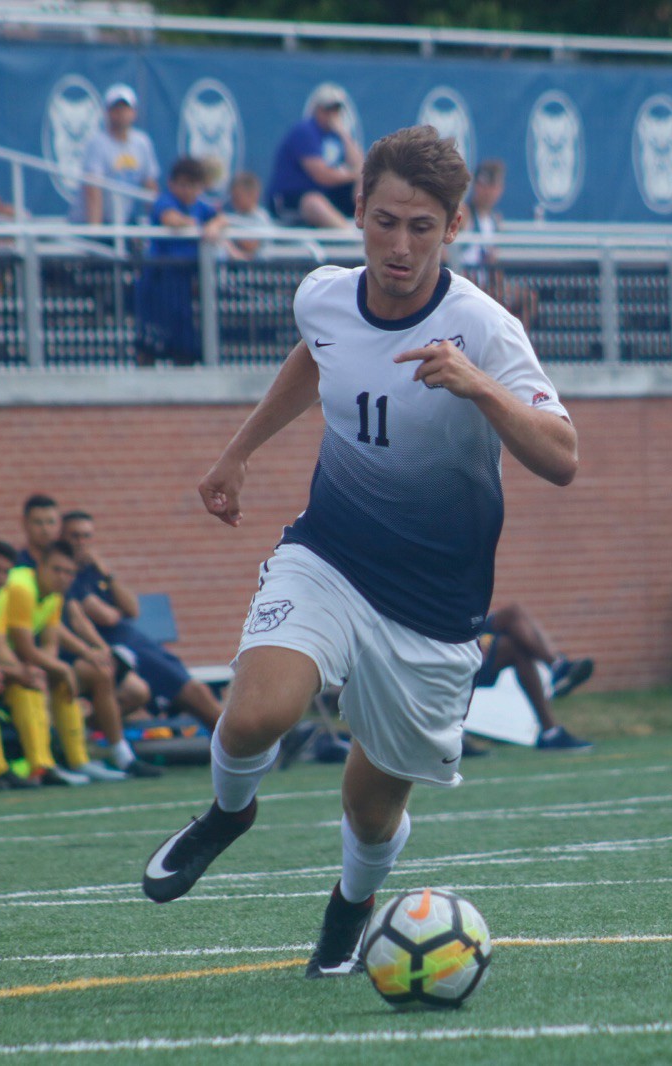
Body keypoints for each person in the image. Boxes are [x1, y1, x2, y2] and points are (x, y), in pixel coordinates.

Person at [142, 125, 577, 981]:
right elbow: (318, 357)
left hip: (435, 607)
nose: (400, 246)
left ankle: (350, 907)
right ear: (357, 212)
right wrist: (239, 452)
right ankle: (229, 812)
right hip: (331, 556)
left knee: (370, 809)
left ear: (454, 227)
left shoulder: (484, 328)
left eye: (422, 227)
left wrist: (479, 387)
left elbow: (563, 457)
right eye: (384, 222)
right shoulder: (323, 295)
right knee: (257, 713)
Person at [60, 510, 223, 731]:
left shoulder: (95, 571)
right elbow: (106, 617)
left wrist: (107, 573)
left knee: (198, 692)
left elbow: (132, 609)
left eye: (86, 536)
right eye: (75, 536)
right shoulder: (67, 576)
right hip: (117, 649)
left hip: (136, 642)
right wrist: (113, 612)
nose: (81, 542)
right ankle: (239, 742)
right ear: (62, 537)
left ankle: (237, 742)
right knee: (190, 694)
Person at [4, 539, 138, 782]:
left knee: (61, 680)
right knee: (35, 684)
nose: (62, 577)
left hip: (16, 660)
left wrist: (57, 668)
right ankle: (42, 765)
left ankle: (79, 761)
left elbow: (50, 640)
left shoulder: (55, 595)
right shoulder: (22, 588)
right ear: (40, 566)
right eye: (57, 570)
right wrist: (61, 668)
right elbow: (24, 647)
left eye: (69, 572)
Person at [0, 539, 77, 788]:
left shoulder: (1, 593)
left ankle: (42, 765)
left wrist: (21, 672)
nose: (1, 578)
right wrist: (5, 669)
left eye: (5, 572)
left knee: (28, 683)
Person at [135, 157, 228, 366]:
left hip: (184, 286)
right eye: (183, 185)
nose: (188, 191)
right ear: (172, 184)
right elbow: (170, 218)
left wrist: (213, 226)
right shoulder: (165, 201)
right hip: (158, 282)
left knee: (184, 345)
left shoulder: (200, 206)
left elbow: (222, 218)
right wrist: (196, 226)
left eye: (193, 186)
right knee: (149, 343)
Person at [472, 603, 594, 750]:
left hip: (467, 632)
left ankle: (551, 732)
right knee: (513, 627)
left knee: (514, 620)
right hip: (454, 645)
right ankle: (558, 667)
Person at [265, 84, 362, 229]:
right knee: (314, 202)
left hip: (326, 196)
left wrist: (343, 134)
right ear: (317, 109)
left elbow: (359, 165)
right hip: (289, 199)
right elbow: (322, 176)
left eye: (335, 110)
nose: (332, 115)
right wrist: (353, 174)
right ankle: (347, 236)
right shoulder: (304, 131)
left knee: (363, 183)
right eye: (327, 110)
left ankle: (364, 224)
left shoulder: (337, 135)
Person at [459, 159, 536, 332]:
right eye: (483, 185)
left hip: (488, 284)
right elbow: (446, 251)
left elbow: (492, 259)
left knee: (526, 298)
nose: (487, 192)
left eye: (493, 187)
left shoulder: (495, 219)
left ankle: (516, 339)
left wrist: (498, 283)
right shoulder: (465, 213)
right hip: (467, 282)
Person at [72, 84, 159, 227]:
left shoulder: (142, 143)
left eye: (125, 108)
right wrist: (95, 231)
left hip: (121, 222)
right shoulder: (97, 143)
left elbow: (150, 185)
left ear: (134, 112)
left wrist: (156, 222)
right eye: (116, 109)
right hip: (96, 223)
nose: (121, 113)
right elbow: (93, 189)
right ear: (107, 112)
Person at [223, 170, 271, 261]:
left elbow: (252, 245)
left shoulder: (260, 217)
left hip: (258, 265)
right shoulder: (235, 216)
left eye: (237, 196)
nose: (233, 201)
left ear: (252, 194)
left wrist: (227, 231)